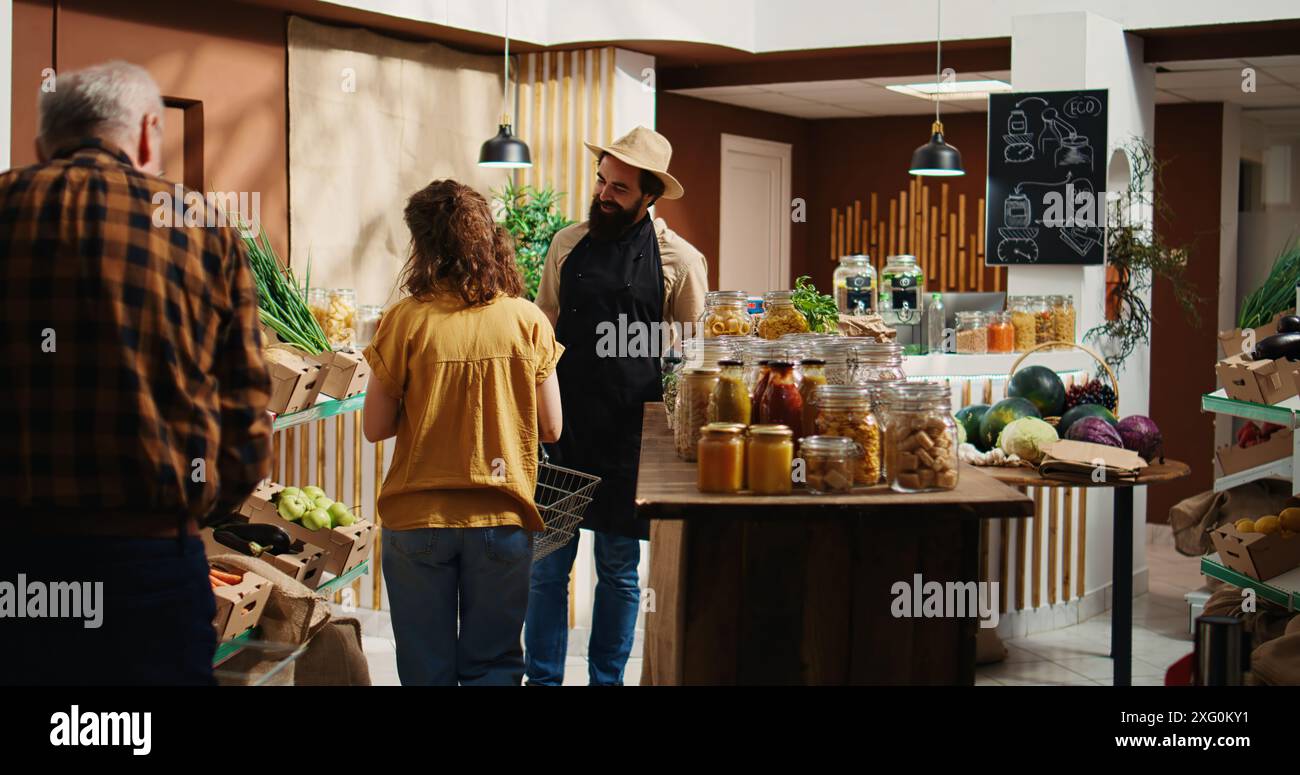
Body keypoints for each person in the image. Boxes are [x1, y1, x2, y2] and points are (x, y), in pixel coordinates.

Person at [0, 61, 272, 685]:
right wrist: (203, 510)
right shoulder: (203, 228)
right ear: (150, 134)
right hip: (147, 563)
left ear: (44, 143)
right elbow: (246, 415)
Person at [363, 179, 564, 686]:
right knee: (493, 666)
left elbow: (375, 426)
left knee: (425, 668)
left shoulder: (404, 320)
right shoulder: (527, 320)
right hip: (501, 518)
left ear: (424, 246)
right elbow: (552, 427)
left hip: (418, 519)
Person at [528, 126, 708, 685]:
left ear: (650, 195)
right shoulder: (566, 243)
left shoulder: (680, 258)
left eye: (620, 188)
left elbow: (693, 348)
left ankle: (606, 680)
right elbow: (542, 329)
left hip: (631, 432)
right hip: (563, 427)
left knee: (619, 570)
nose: (604, 193)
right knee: (546, 570)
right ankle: (544, 679)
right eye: (602, 181)